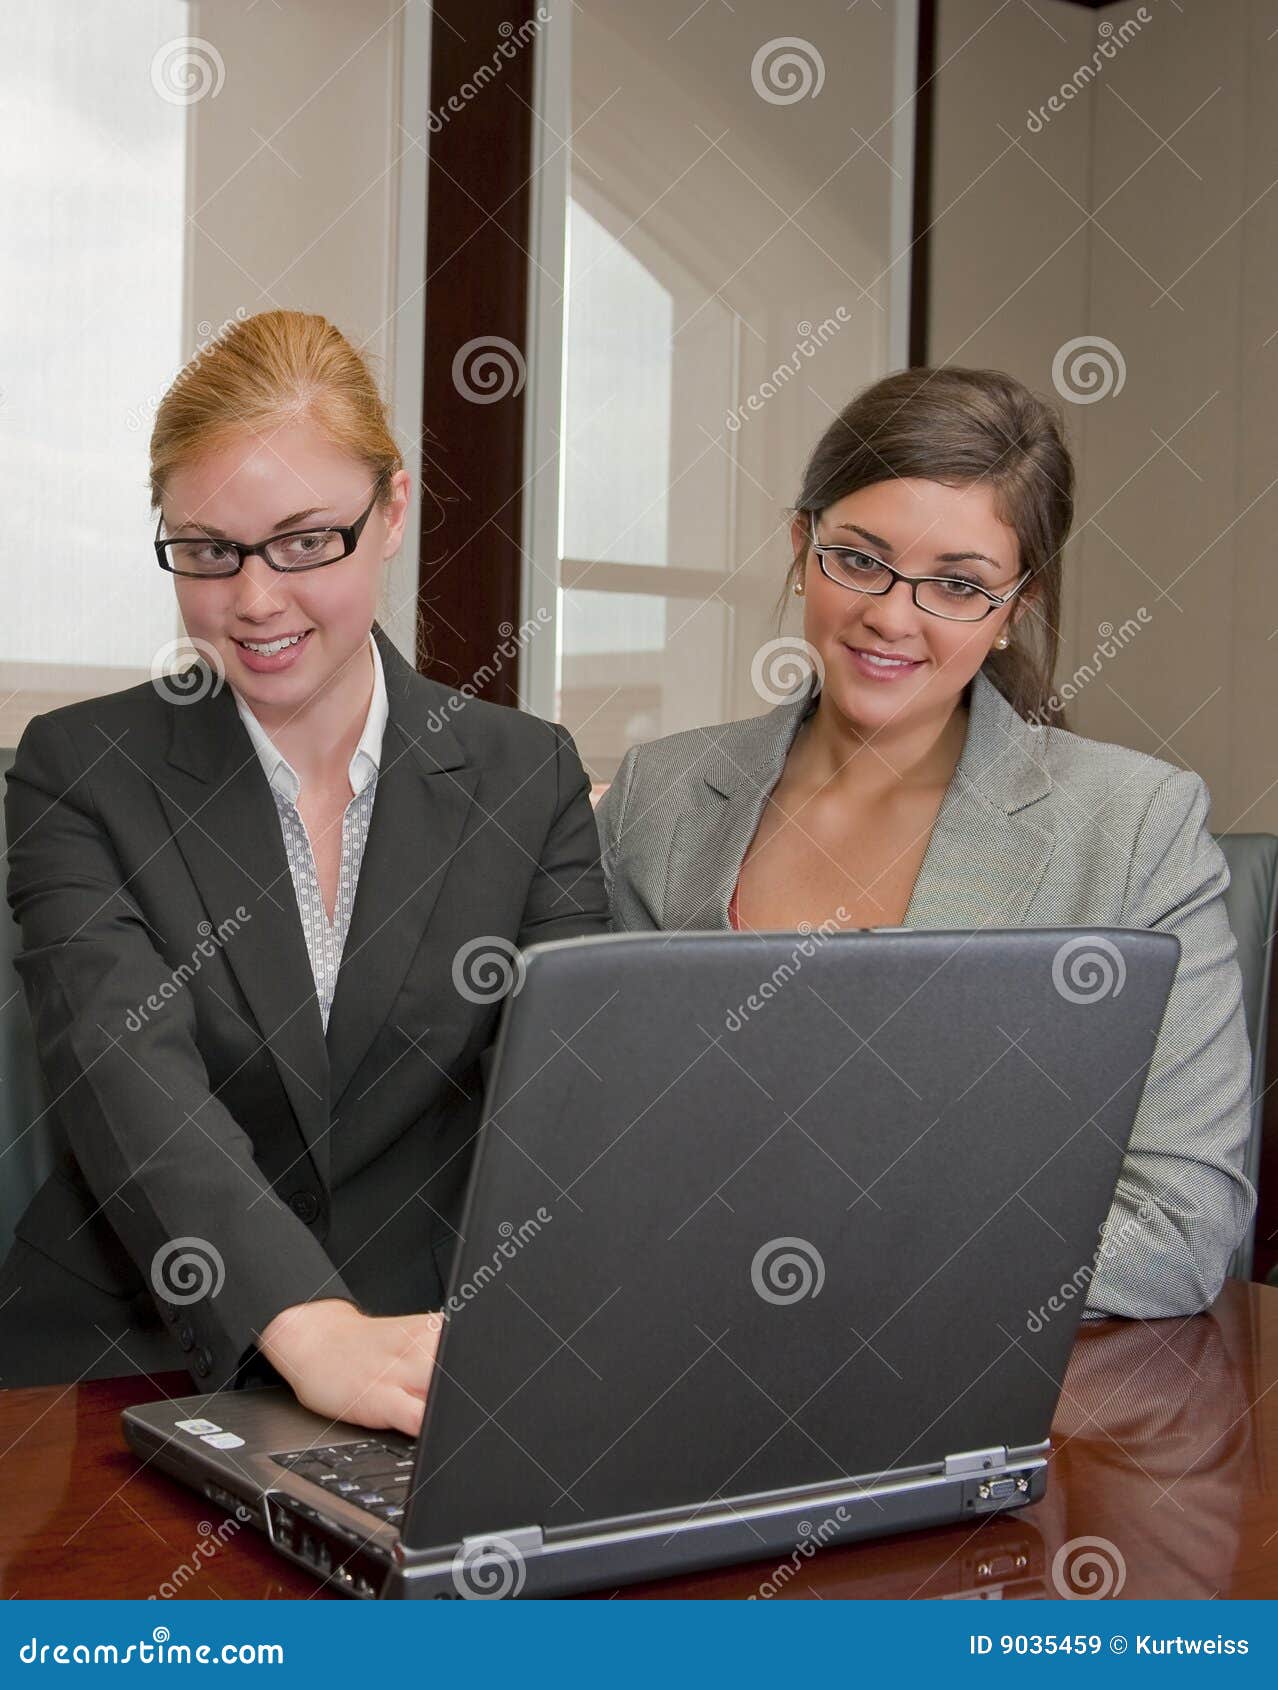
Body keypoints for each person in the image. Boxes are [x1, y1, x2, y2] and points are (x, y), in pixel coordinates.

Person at [0, 309, 609, 1433]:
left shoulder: (529, 776)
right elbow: (121, 1066)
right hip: (122, 1360)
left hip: (426, 1349)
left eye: (303, 542)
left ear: (392, 511)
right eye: (208, 549)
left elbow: (570, 1102)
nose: (254, 599)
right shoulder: (80, 768)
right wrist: (304, 1322)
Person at [596, 365, 1254, 1320]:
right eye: (859, 560)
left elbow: (1180, 1229)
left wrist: (836, 1257)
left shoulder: (1136, 826)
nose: (892, 616)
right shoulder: (660, 795)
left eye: (957, 584)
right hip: (680, 1344)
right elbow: (583, 1141)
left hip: (979, 1377)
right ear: (801, 547)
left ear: (1015, 608)